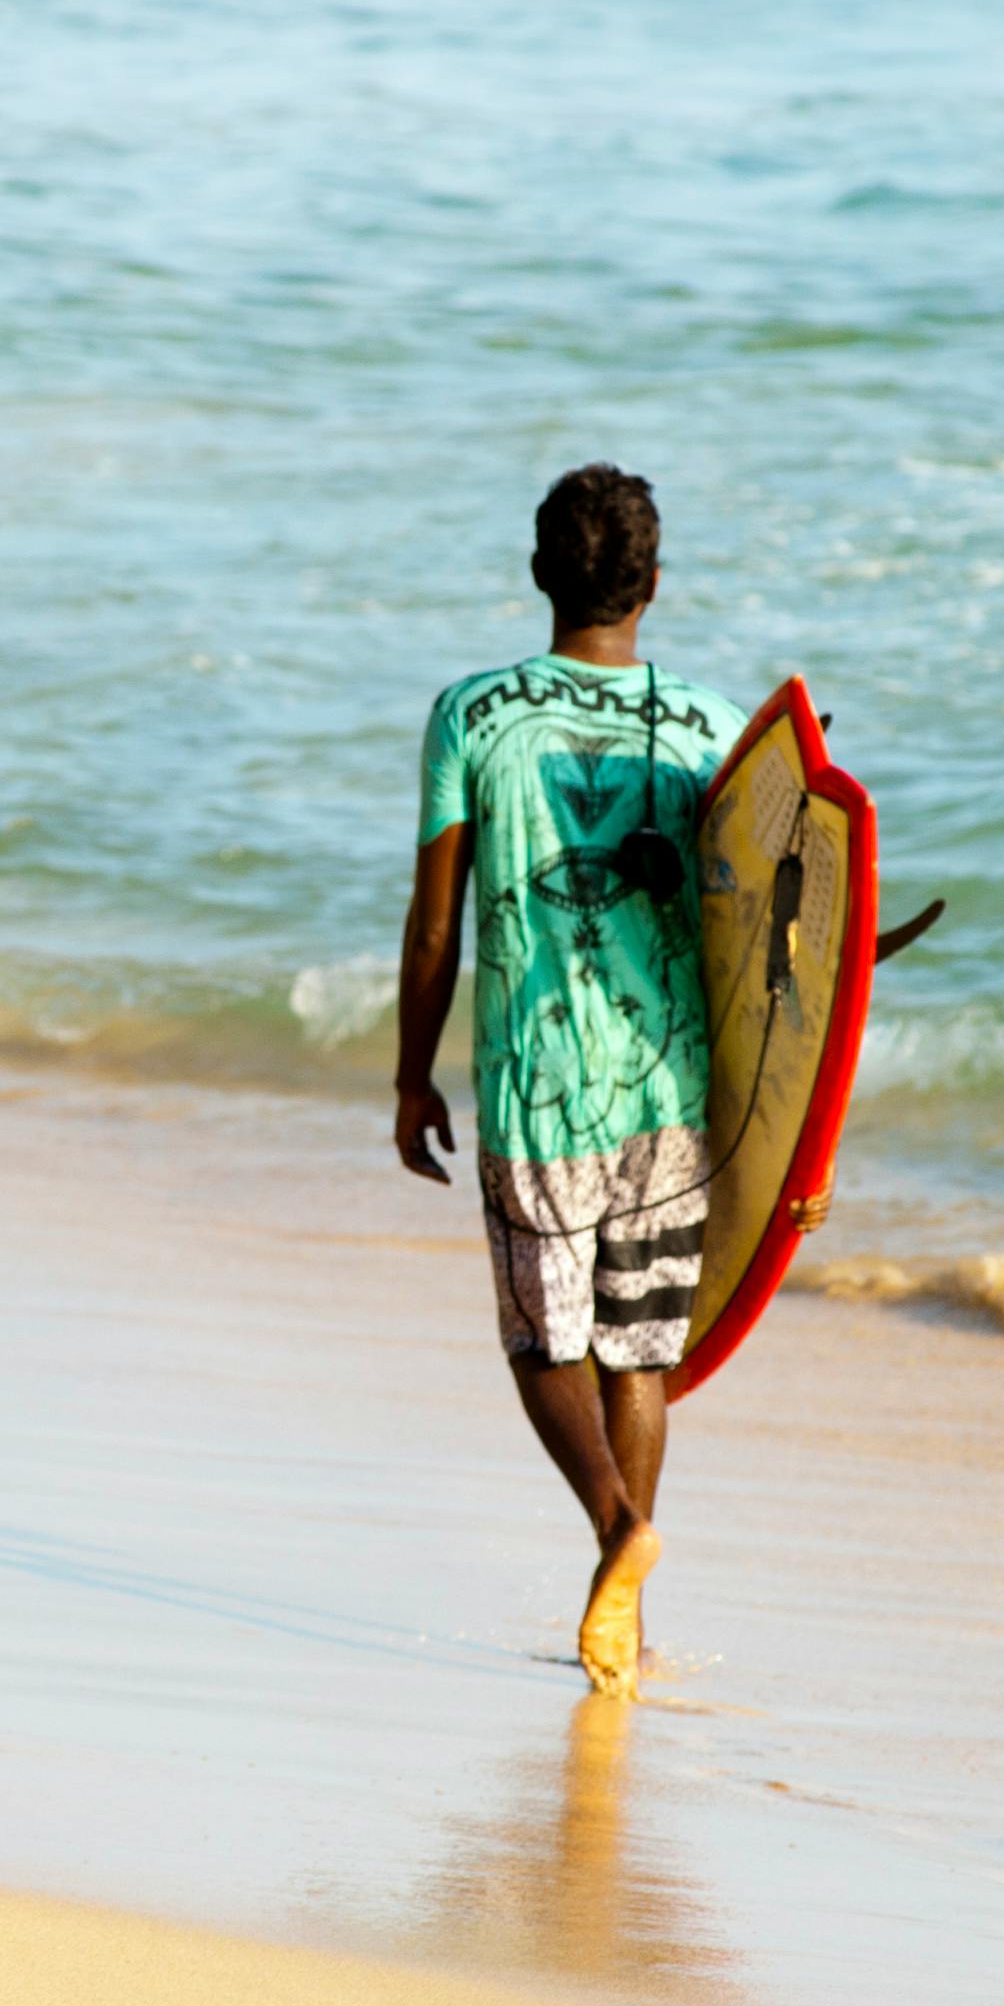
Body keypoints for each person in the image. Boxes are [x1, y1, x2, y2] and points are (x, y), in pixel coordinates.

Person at [393, 465, 745, 1696]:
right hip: (671, 1089)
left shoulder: (472, 715)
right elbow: (761, 955)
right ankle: (626, 1632)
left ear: (540, 574)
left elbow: (434, 924)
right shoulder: (713, 731)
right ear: (650, 586)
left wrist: (408, 1075)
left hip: (541, 1089)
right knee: (634, 1355)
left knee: (542, 1345)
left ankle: (617, 1533)